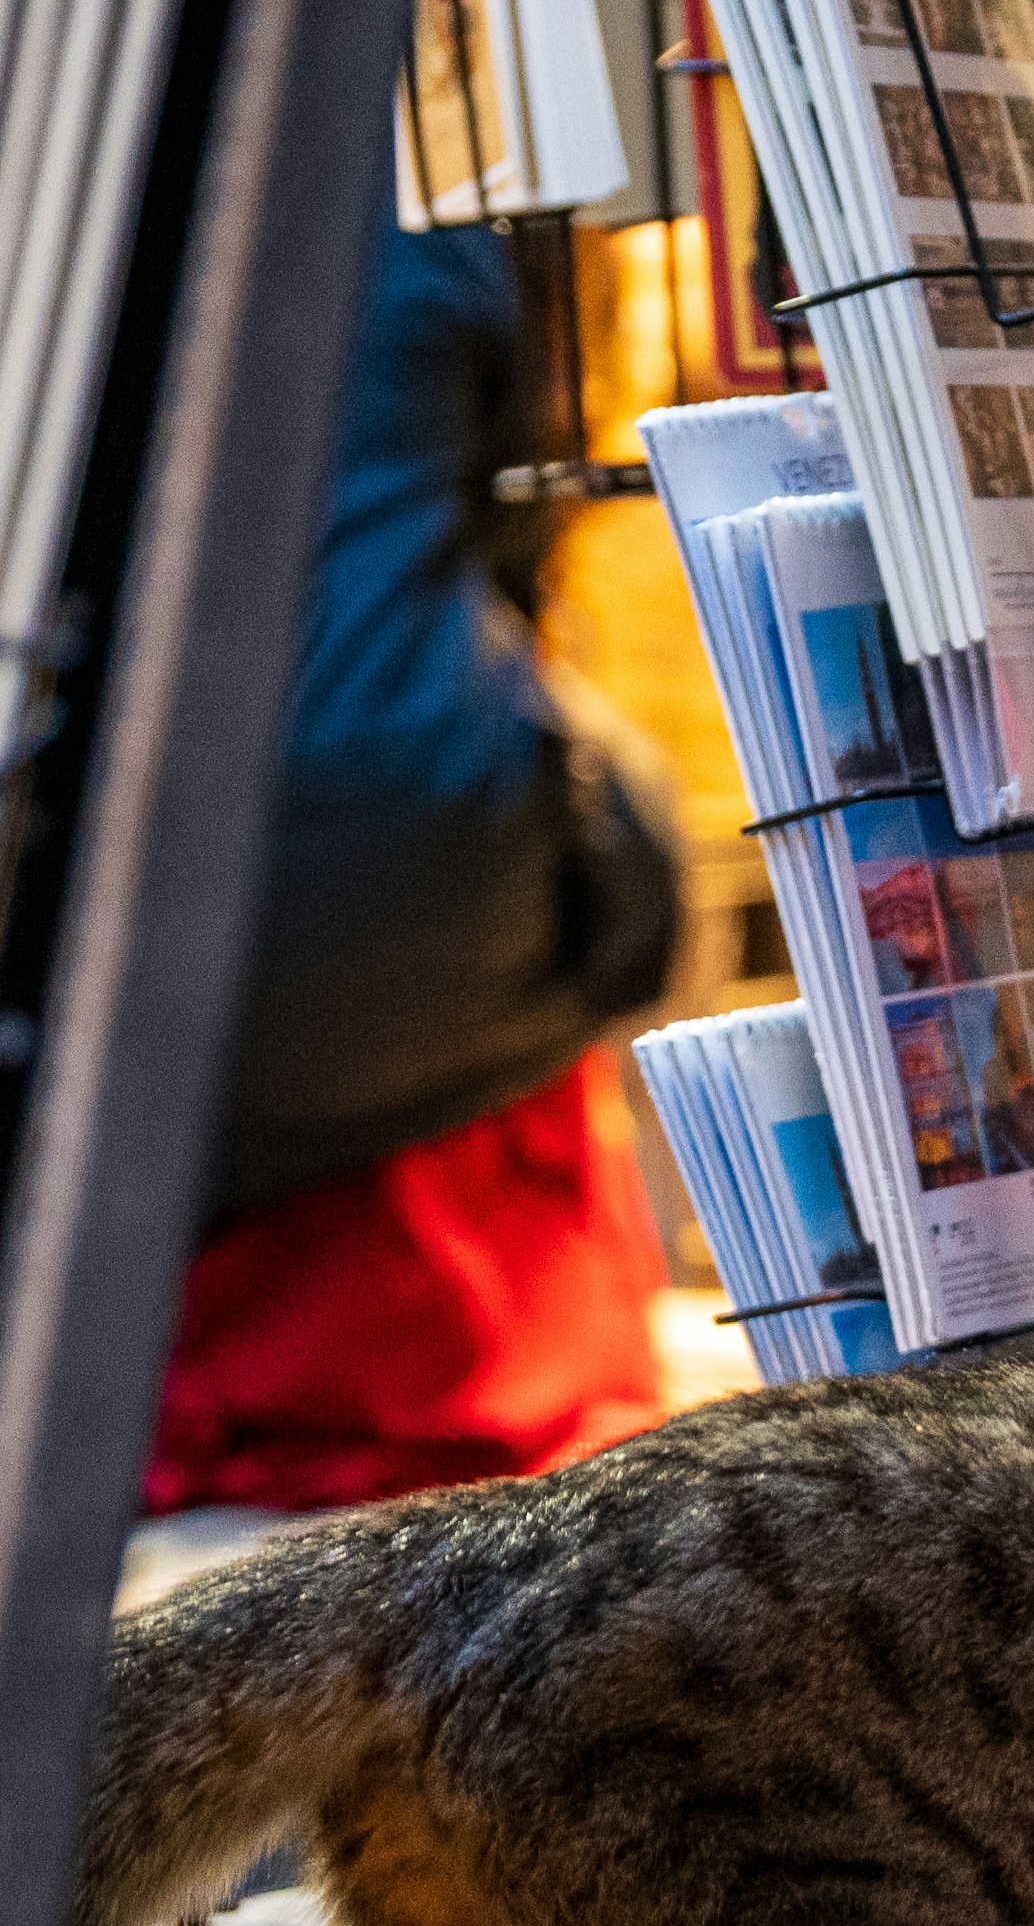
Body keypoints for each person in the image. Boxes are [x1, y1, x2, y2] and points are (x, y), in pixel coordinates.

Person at [148, 203, 684, 1516]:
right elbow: (519, 520)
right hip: (419, 919)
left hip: (76, 952)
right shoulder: (443, 175)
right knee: (624, 838)